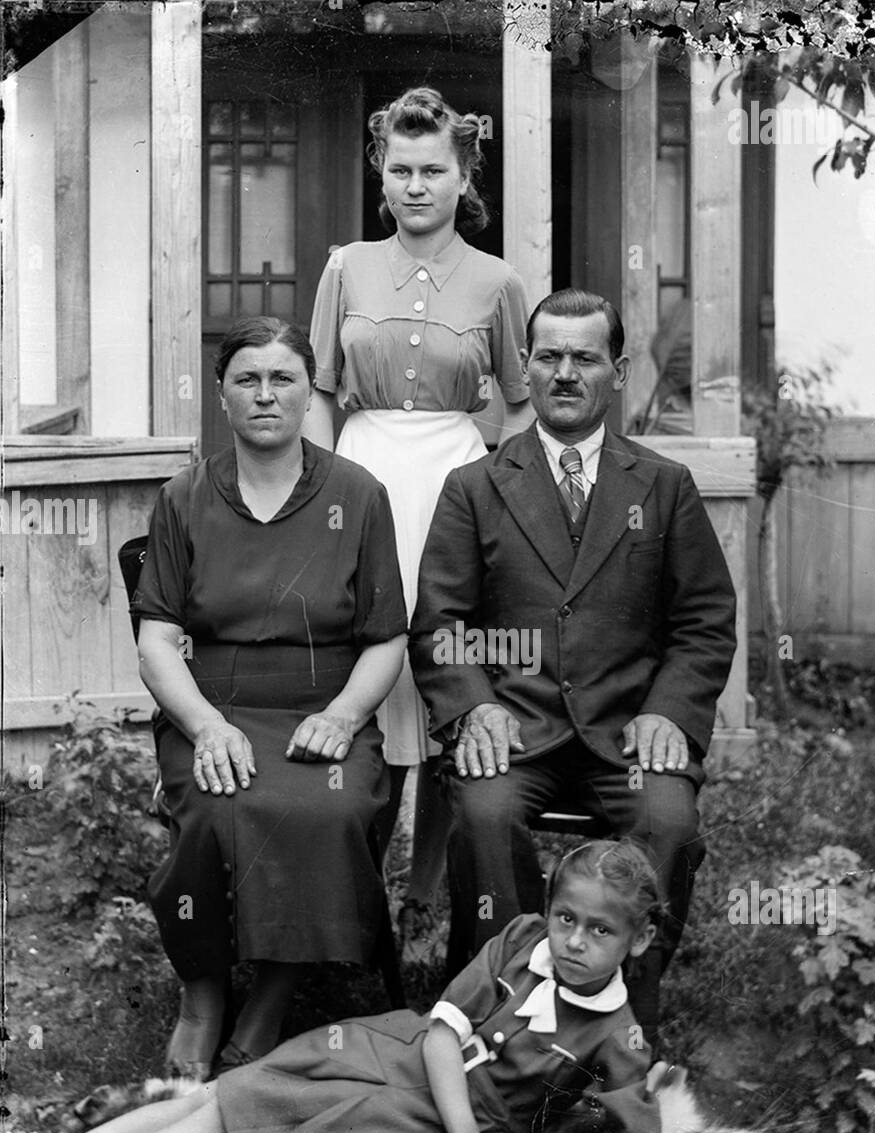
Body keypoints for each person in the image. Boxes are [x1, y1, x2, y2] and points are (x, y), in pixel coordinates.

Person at [5, 841, 667, 1133]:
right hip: (405, 1047)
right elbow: (442, 1033)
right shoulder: (523, 937)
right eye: (565, 918)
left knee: (248, 1109)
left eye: (600, 930)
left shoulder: (617, 1035)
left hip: (431, 1109)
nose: (573, 941)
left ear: (640, 939)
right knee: (233, 1086)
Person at [410, 289, 738, 1027]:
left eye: (583, 358)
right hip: (517, 733)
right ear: (522, 369)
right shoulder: (476, 486)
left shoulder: (661, 486)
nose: (564, 373)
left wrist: (668, 713)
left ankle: (621, 1018)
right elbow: (440, 623)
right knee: (484, 814)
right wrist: (475, 707)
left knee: (668, 822)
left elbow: (705, 621)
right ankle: (503, 1013)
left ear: (615, 372)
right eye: (548, 357)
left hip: (625, 734)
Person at [131, 317, 408, 1079]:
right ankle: (204, 996)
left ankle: (272, 998)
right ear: (221, 396)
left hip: (322, 710)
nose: (264, 394)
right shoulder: (184, 497)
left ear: (306, 393)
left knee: (330, 808)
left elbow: (386, 637)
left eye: (282, 378)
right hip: (212, 708)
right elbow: (157, 641)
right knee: (216, 807)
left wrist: (345, 717)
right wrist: (206, 726)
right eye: (246, 379)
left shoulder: (356, 494)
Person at [303, 86, 533, 953]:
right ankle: (353, 885)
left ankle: (428, 895)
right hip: (360, 478)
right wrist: (328, 491)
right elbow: (321, 390)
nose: (414, 185)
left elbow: (517, 403)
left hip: (454, 484)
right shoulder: (346, 268)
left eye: (432, 169)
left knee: (445, 672)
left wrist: (492, 488)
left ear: (462, 173)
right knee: (364, 669)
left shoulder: (497, 281)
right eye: (399, 169)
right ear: (380, 172)